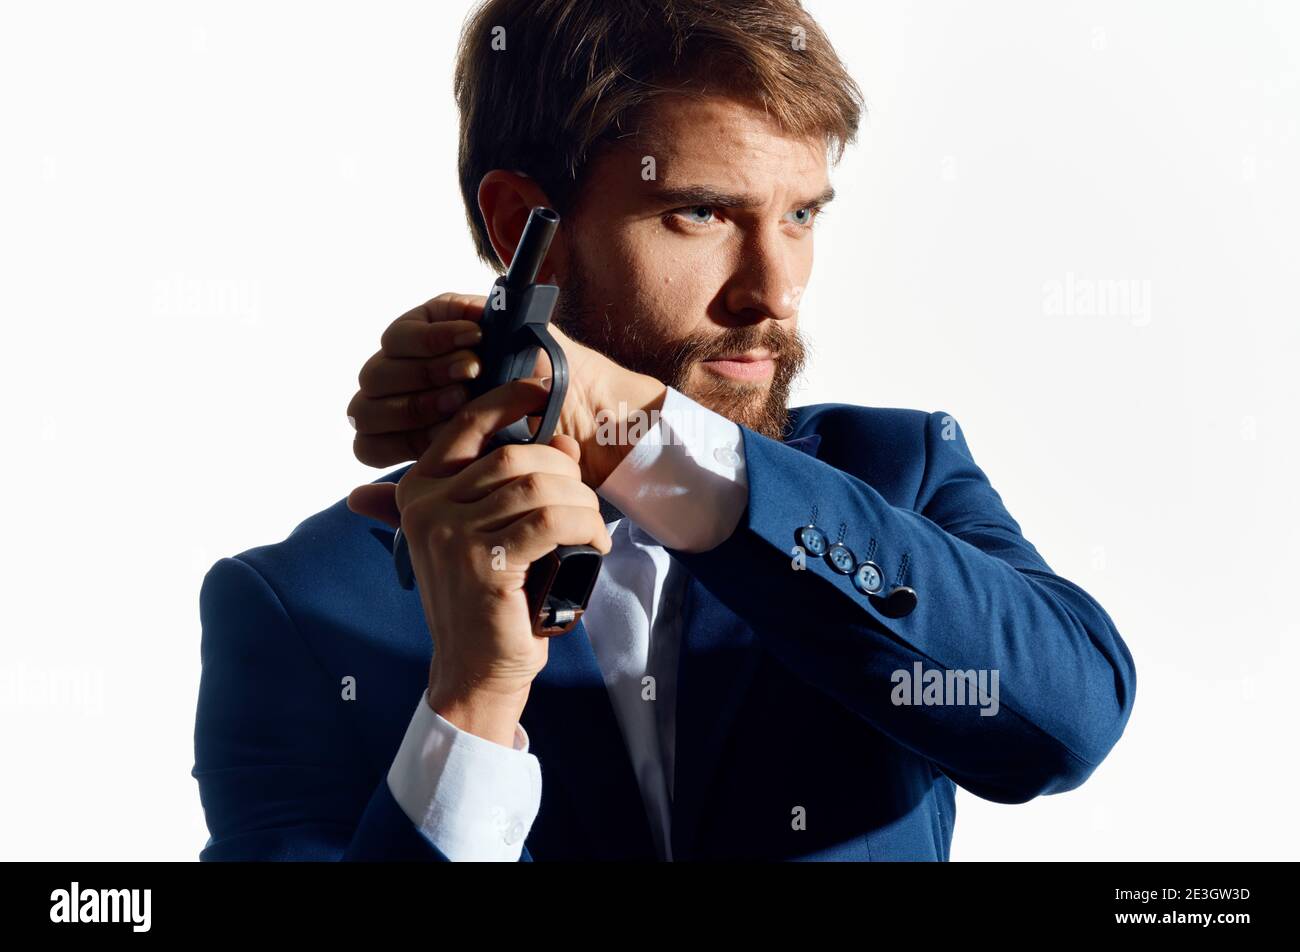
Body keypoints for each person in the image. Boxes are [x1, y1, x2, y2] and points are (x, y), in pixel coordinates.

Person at [193, 0, 1136, 861]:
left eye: (801, 215)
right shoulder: (301, 607)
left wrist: (630, 425)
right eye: (701, 212)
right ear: (531, 224)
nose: (775, 290)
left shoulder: (899, 474)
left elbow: (1067, 723)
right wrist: (473, 703)